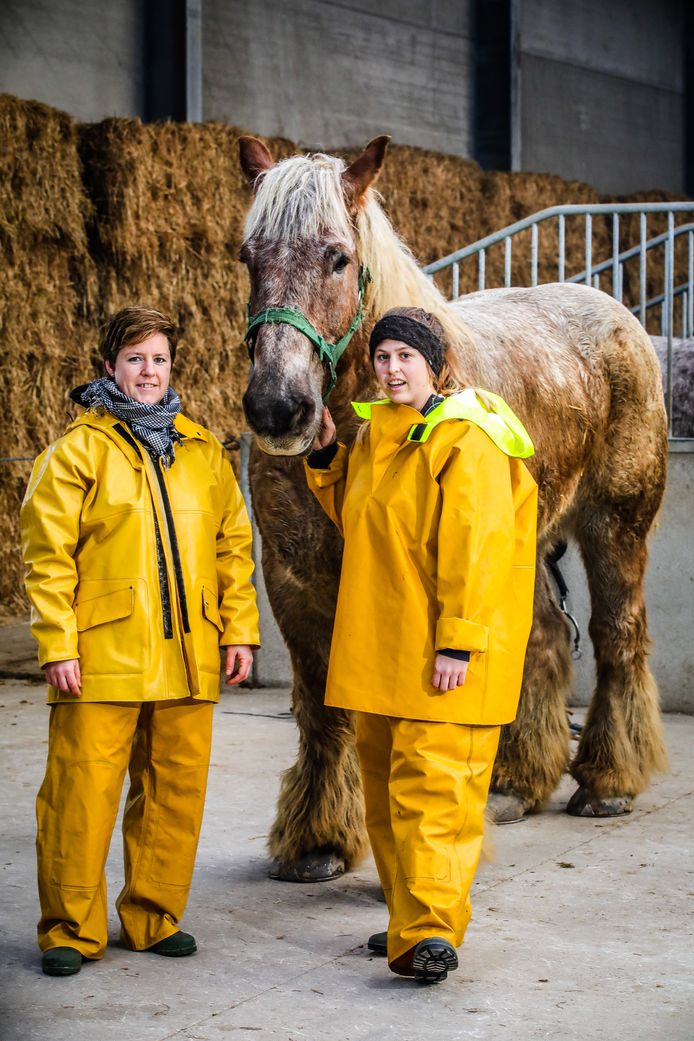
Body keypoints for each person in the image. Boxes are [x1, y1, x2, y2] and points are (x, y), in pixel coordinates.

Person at [21, 307, 259, 977]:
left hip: (190, 654)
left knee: (174, 791)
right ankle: (70, 927)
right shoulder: (77, 451)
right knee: (80, 792)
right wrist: (57, 643)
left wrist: (239, 629)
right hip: (103, 653)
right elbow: (47, 557)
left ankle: (153, 915)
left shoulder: (202, 449)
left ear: (170, 367)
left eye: (157, 359)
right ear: (109, 368)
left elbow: (231, 547)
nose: (148, 371)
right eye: (134, 359)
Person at [305, 306, 538, 984]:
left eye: (406, 356)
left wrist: (458, 644)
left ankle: (432, 931)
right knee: (386, 796)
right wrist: (326, 460)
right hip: (383, 650)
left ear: (435, 366)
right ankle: (409, 921)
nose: (391, 368)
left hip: (444, 656)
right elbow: (366, 522)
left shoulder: (466, 439)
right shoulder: (380, 435)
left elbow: (479, 549)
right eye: (382, 357)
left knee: (436, 794)